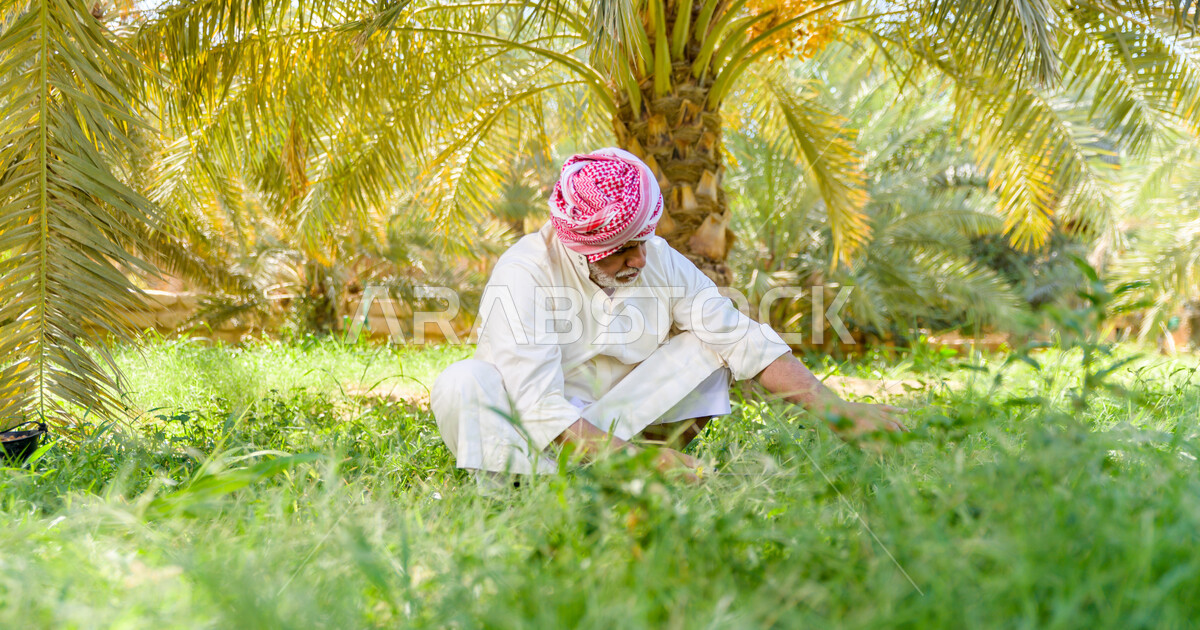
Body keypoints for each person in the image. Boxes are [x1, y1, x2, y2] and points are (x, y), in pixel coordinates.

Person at [430, 148, 906, 482]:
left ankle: (639, 468)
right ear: (583, 248)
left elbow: (739, 337)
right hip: (528, 438)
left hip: (613, 423)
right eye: (624, 250)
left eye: (643, 242)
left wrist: (840, 410)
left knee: (711, 342)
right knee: (463, 381)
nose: (640, 259)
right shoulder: (525, 272)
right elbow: (539, 408)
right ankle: (525, 490)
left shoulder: (655, 257)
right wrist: (634, 462)